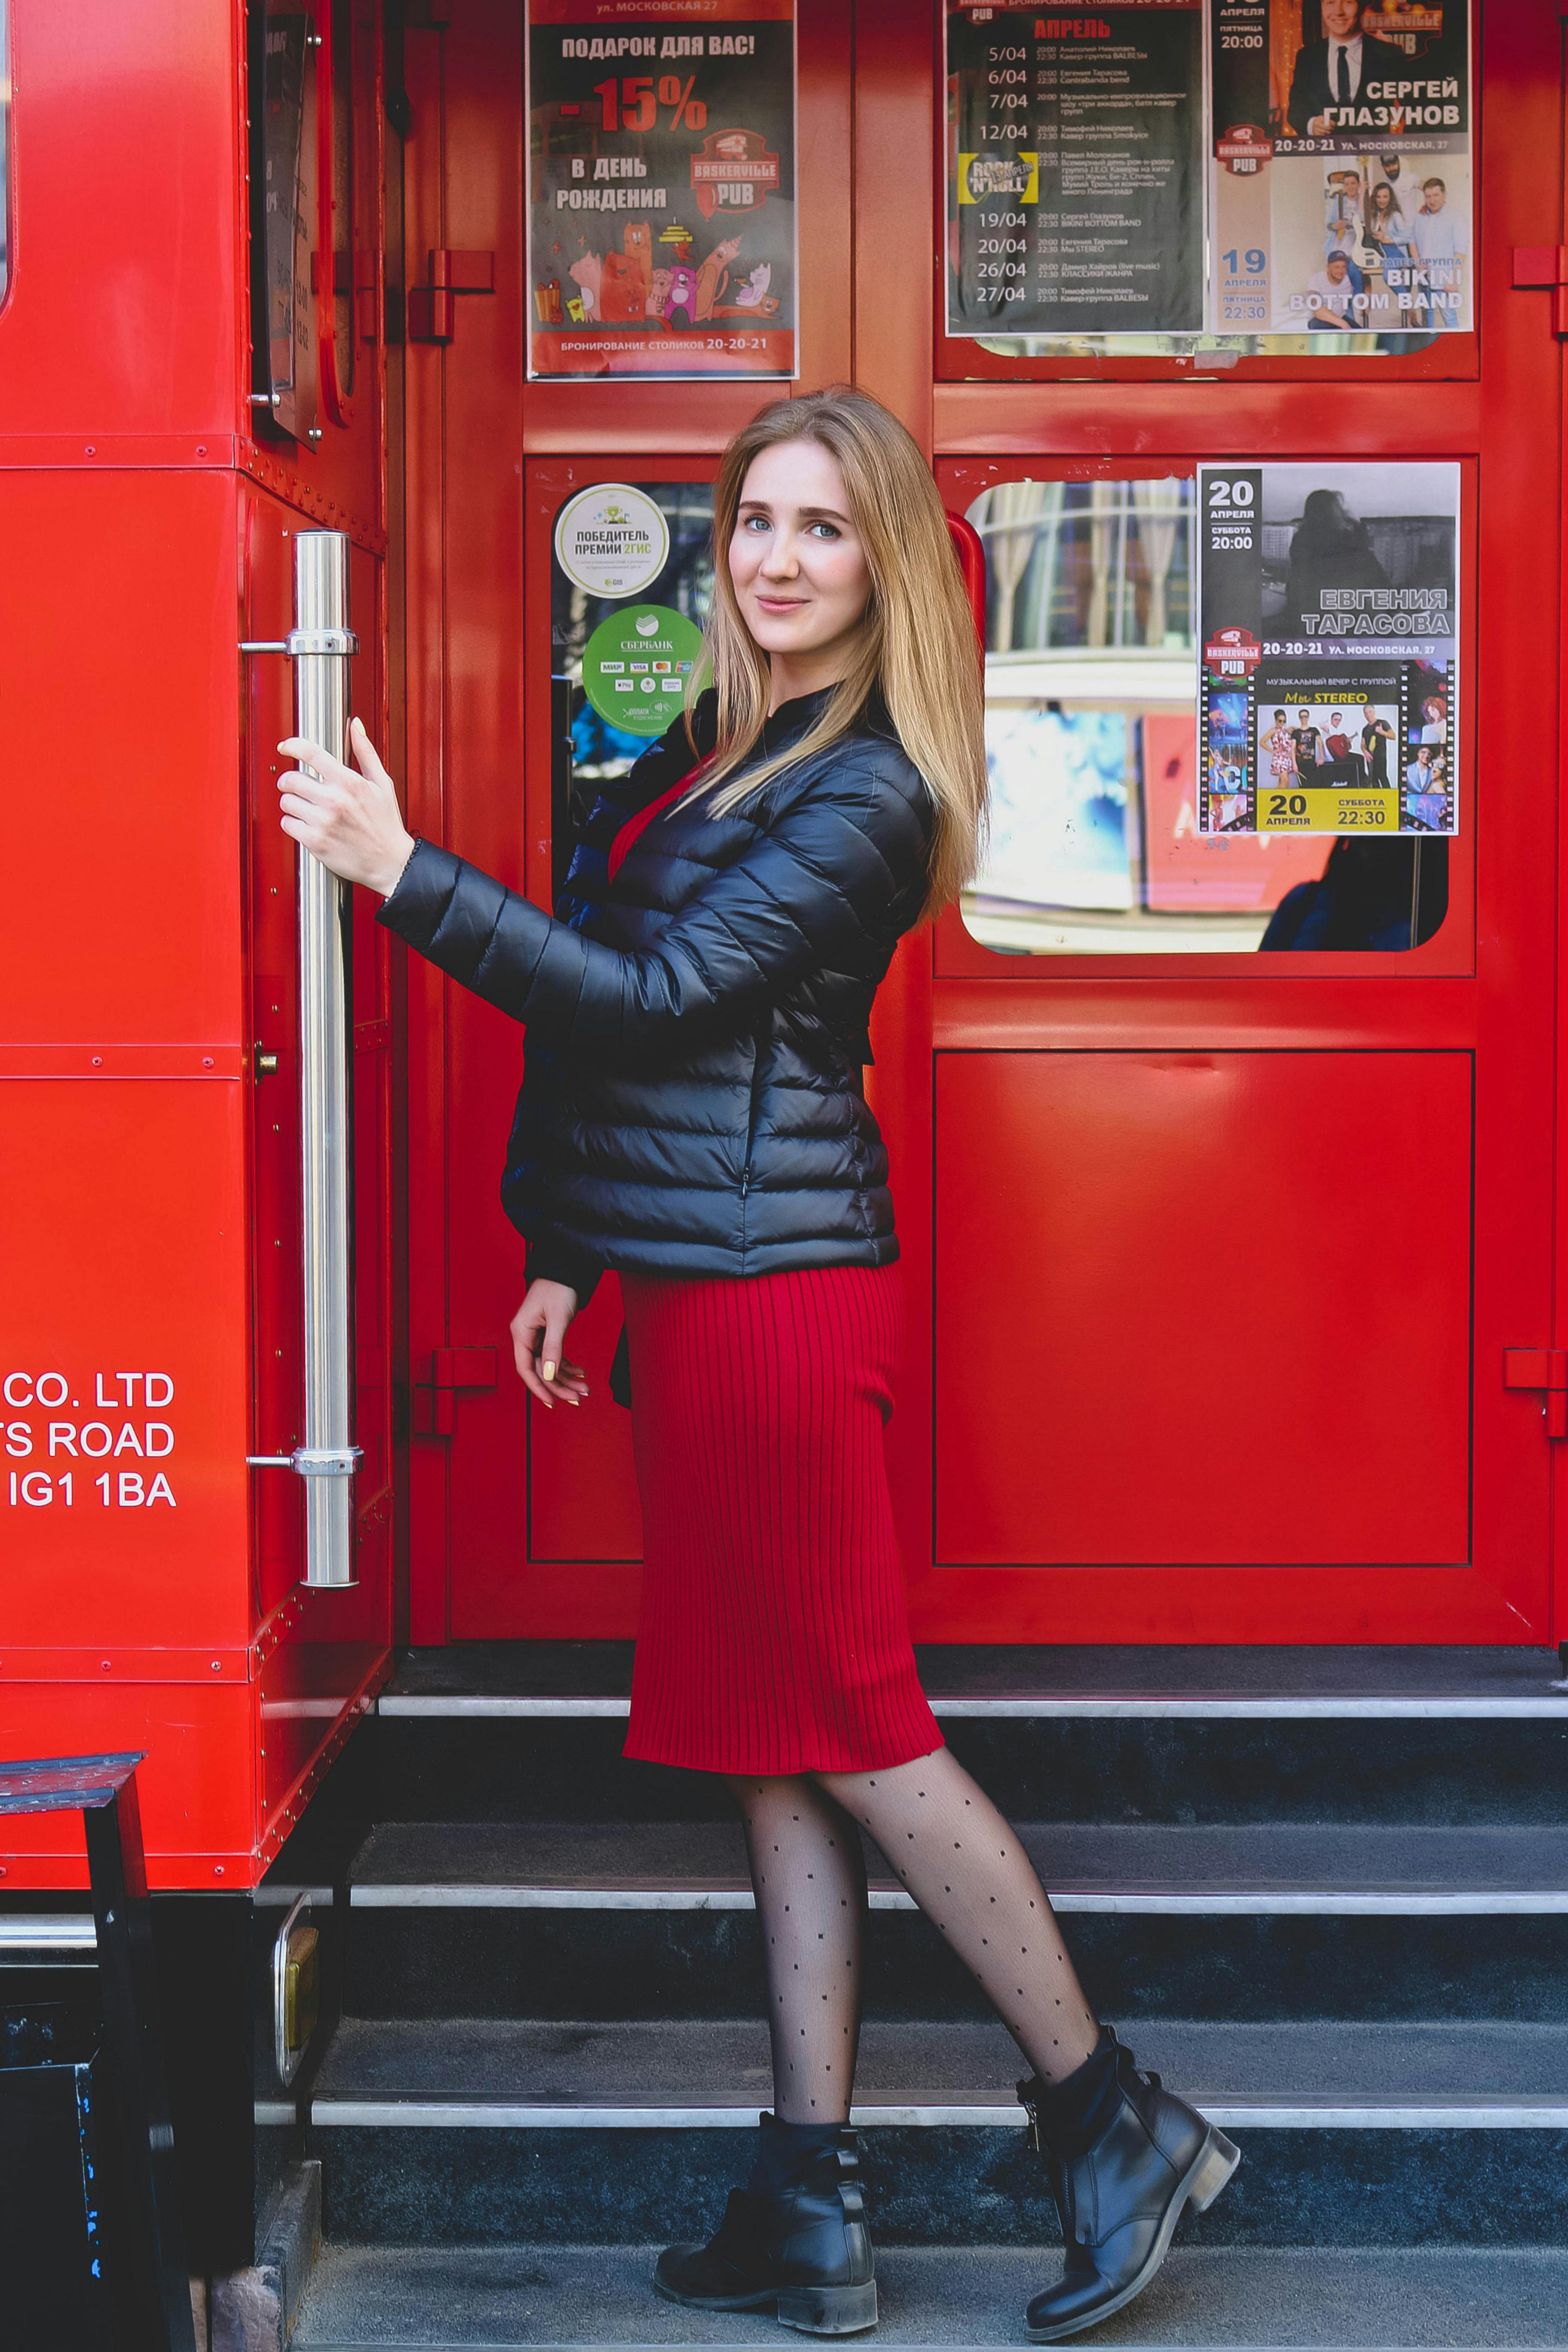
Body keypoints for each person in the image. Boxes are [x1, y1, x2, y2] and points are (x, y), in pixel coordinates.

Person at [271, 386, 1240, 2342]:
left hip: (784, 1306)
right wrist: (570, 1255)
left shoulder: (867, 787)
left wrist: (401, 872)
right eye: (754, 523)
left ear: (882, 560)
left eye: (818, 526)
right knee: (771, 1741)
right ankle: (807, 2194)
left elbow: (646, 999)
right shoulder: (733, 756)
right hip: (703, 1292)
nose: (778, 557)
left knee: (861, 1723)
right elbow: (649, 1044)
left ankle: (1108, 2116)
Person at [1287, 0, 1403, 140]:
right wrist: (1311, 125)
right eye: (1330, 3)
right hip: (1322, 155)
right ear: (1322, 7)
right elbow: (1295, 110)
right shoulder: (1307, 56)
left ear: (1361, 6)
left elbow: (1417, 109)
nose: (1339, 12)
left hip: (1373, 154)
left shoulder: (1389, 54)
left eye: (1348, 2)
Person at [1283, 487, 1388, 637]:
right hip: (1344, 619)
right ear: (1334, 513)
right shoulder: (1349, 545)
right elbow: (1374, 580)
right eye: (1340, 509)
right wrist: (1358, 530)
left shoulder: (1301, 540)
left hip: (1311, 618)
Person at [1407, 178, 1468, 328]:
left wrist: (1453, 279)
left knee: (1450, 318)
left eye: (1436, 195)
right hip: (1424, 277)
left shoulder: (1456, 218)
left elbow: (1460, 252)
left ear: (1445, 195)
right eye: (1428, 197)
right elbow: (1412, 241)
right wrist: (1417, 262)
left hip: (1444, 278)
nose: (1432, 200)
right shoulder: (1420, 217)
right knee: (1427, 320)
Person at [1305, 250, 1360, 329]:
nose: (1341, 271)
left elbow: (1365, 279)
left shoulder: (1347, 280)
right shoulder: (1316, 279)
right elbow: (1317, 309)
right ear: (1328, 267)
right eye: (1337, 267)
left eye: (1344, 267)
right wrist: (1343, 324)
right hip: (1320, 320)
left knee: (1363, 335)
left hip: (1341, 318)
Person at [1361, 704, 1395, 786]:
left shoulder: (1383, 723)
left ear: (1374, 712)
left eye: (1370, 712)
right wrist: (1366, 753)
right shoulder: (1365, 729)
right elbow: (1363, 745)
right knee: (1373, 779)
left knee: (1383, 777)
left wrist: (1382, 732)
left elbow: (1394, 736)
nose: (1369, 715)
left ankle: (1389, 797)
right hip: (1370, 758)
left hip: (1381, 756)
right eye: (1366, 713)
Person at [1265, 708, 1296, 780]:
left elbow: (1299, 730)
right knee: (1286, 781)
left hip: (1287, 759)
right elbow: (1262, 742)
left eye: (1284, 721)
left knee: (1282, 782)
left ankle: (1279, 792)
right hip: (1279, 759)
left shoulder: (1285, 731)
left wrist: (1291, 728)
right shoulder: (1273, 731)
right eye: (1280, 721)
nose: (1282, 723)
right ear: (1276, 721)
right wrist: (1272, 751)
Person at [1290, 708, 1323, 772]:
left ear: (1308, 718)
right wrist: (1294, 764)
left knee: (1313, 781)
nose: (1304, 719)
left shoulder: (1314, 730)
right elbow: (1293, 749)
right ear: (1299, 718)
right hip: (1300, 763)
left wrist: (1322, 758)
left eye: (1306, 717)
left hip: (1312, 762)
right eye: (1302, 717)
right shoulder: (1296, 733)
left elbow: (1320, 743)